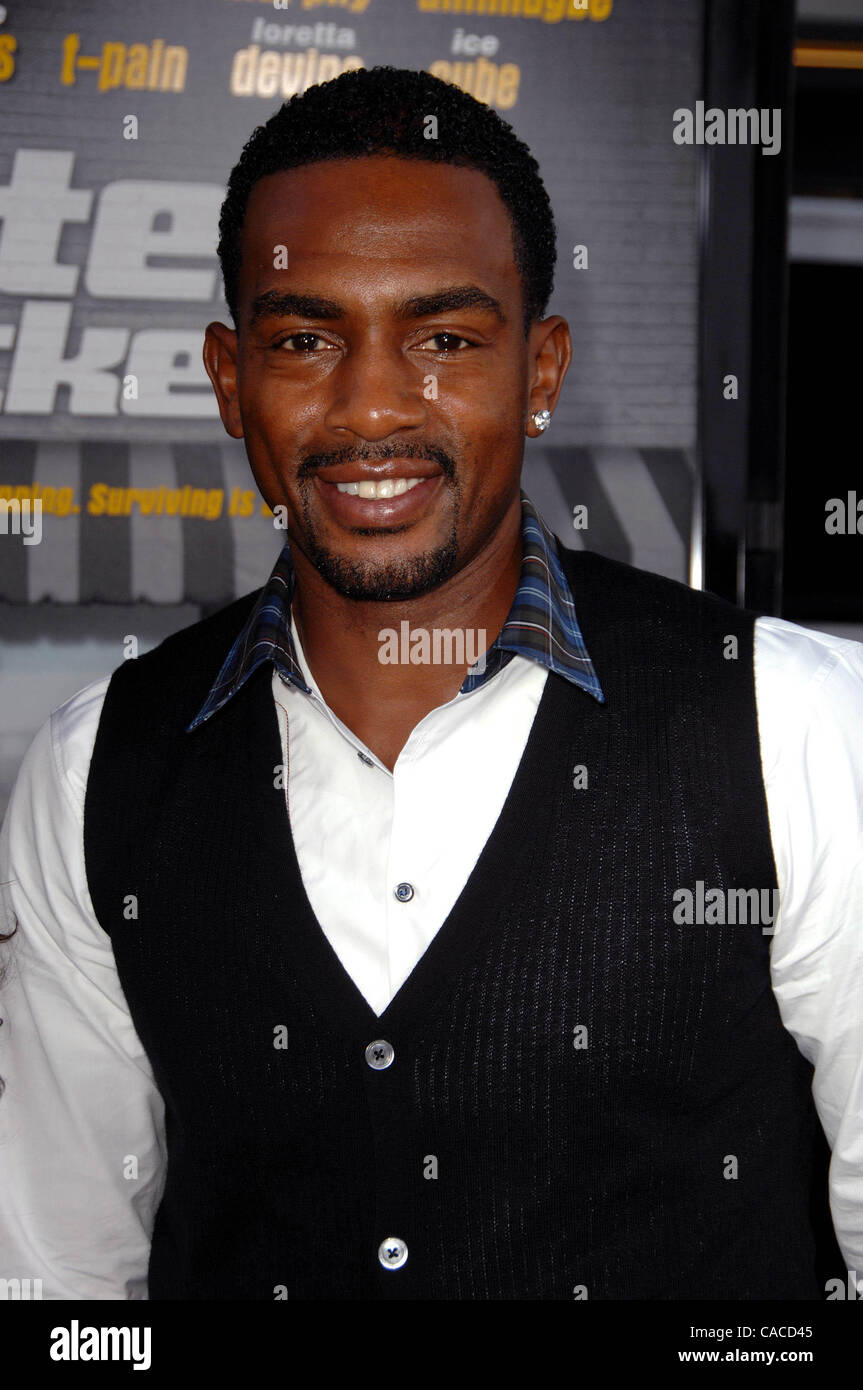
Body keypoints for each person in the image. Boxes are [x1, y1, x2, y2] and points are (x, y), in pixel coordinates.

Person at [1, 65, 862, 1302]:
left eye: (444, 339)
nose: (369, 408)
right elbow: (60, 1277)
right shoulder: (100, 769)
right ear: (230, 378)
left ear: (542, 369)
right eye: (304, 339)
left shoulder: (785, 720)